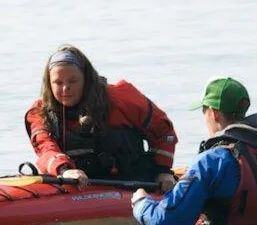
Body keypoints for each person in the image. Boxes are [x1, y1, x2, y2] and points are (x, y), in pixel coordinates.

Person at [130, 77, 257, 225]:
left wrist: (141, 203)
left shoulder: (210, 162)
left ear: (213, 113)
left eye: (203, 110)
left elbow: (168, 222)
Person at [25, 45, 178, 191]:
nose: (65, 88)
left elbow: (163, 131)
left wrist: (163, 170)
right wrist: (65, 170)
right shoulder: (39, 113)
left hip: (136, 182)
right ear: (49, 84)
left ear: (86, 79)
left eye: (73, 81)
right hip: (75, 181)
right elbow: (45, 147)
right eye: (58, 83)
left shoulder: (122, 98)